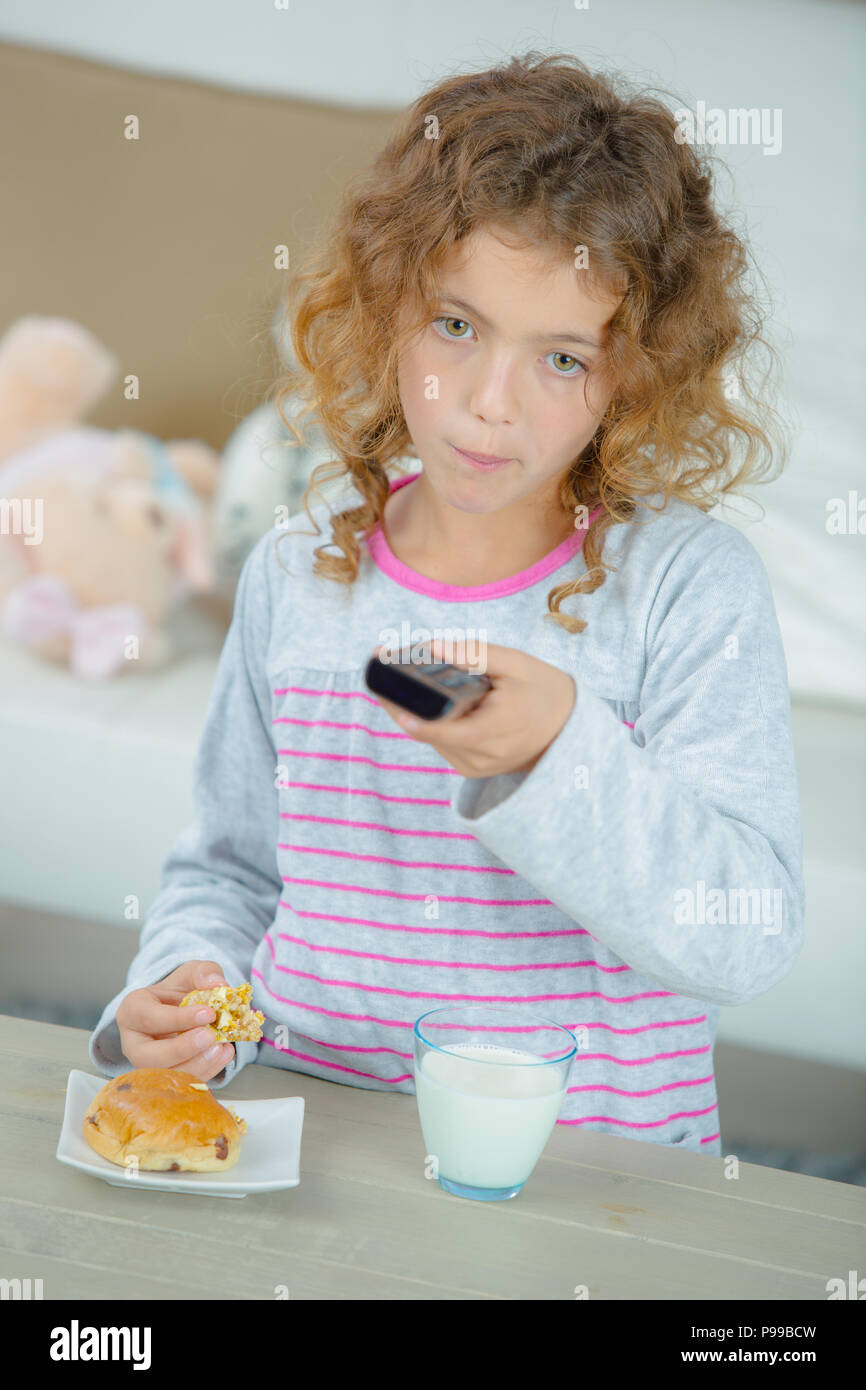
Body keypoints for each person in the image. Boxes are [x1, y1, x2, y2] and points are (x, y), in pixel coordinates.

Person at [91, 52, 804, 1154]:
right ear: (385, 306)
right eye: (457, 327)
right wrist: (189, 986)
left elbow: (743, 937)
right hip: (308, 1144)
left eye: (561, 357)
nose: (484, 406)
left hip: (590, 1177)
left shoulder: (683, 590)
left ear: (636, 375)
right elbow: (230, 868)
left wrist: (558, 754)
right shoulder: (298, 570)